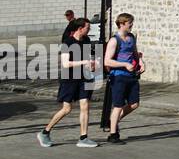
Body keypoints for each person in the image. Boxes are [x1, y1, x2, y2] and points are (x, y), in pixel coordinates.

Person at [37, 17, 98, 148]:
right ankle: (45, 132)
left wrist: (92, 65)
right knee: (66, 109)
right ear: (80, 29)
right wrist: (83, 62)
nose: (89, 30)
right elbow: (66, 63)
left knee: (85, 105)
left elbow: (88, 59)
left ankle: (83, 137)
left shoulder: (87, 41)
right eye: (88, 27)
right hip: (69, 79)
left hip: (84, 78)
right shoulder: (67, 43)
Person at [104, 12, 144, 144]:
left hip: (131, 76)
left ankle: (113, 122)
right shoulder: (114, 40)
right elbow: (107, 61)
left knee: (134, 104)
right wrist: (125, 64)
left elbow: (135, 53)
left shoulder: (131, 37)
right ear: (122, 24)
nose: (131, 25)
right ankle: (113, 135)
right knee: (118, 105)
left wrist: (141, 63)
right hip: (118, 76)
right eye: (129, 23)